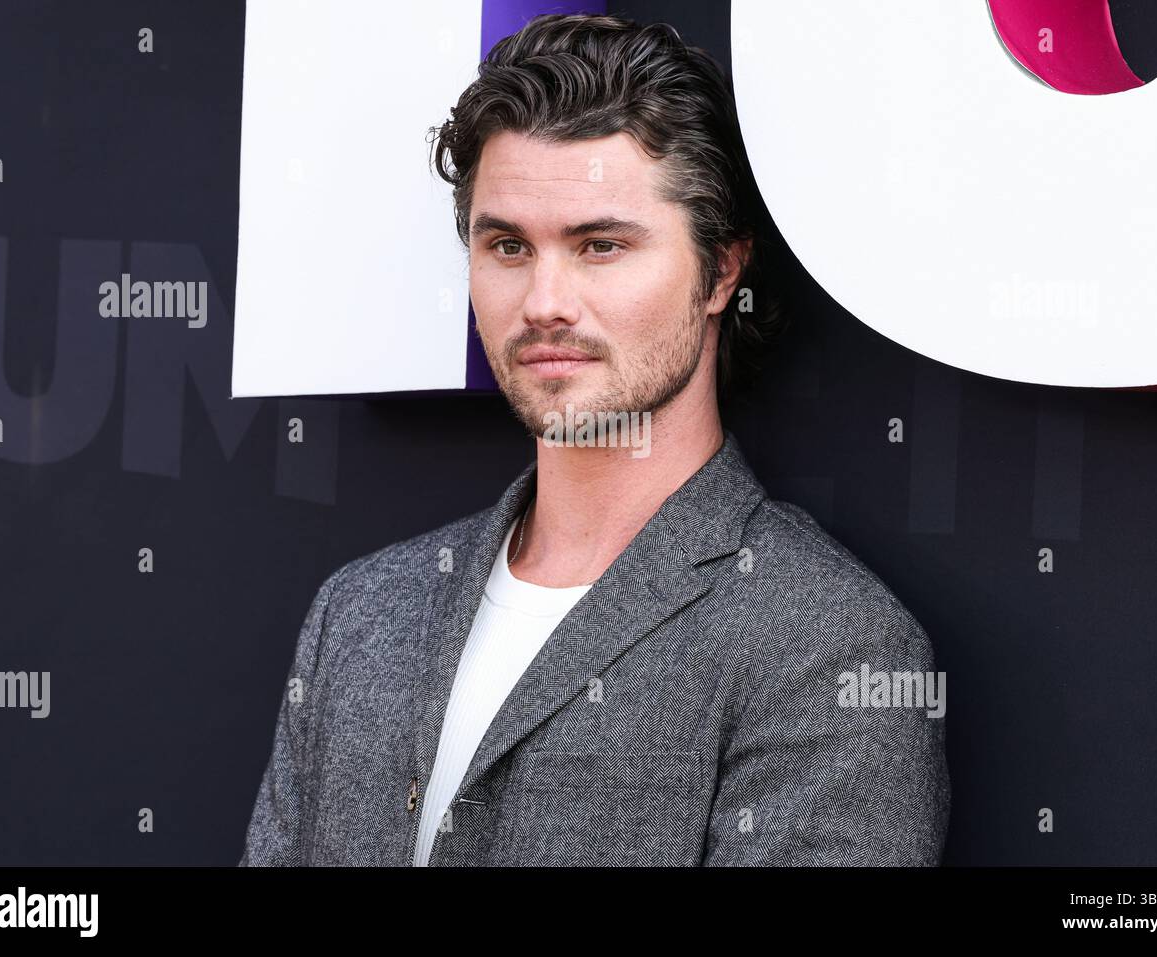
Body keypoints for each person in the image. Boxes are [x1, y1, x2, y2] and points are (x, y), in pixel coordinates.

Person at [240, 13, 949, 867]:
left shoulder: (828, 647)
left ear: (722, 271)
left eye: (600, 245)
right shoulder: (357, 616)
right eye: (507, 245)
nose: (544, 300)